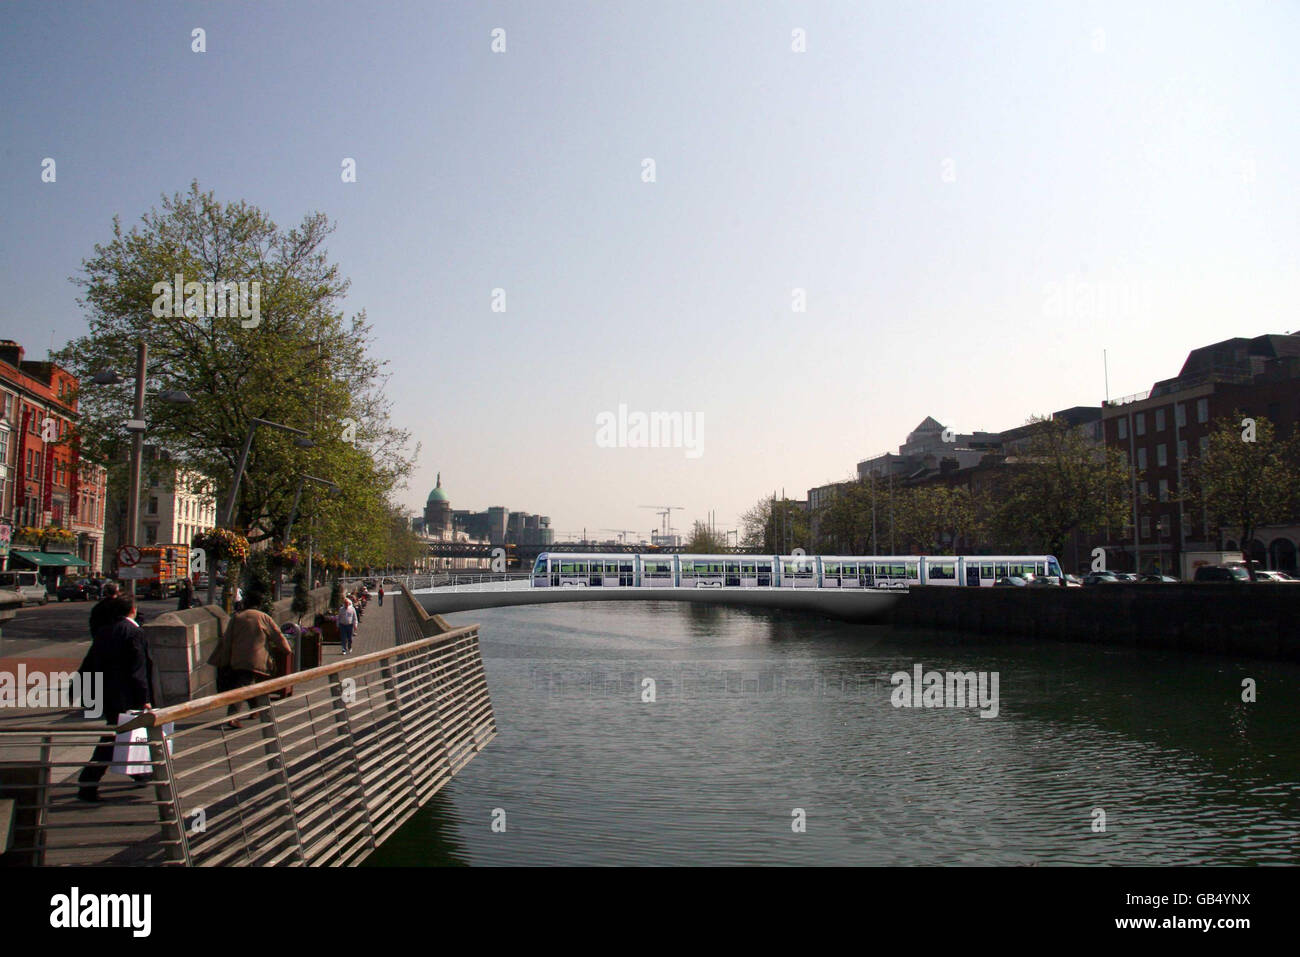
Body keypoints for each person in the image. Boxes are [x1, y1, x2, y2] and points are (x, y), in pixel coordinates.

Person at [77, 593, 154, 801]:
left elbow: (89, 664)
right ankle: (88, 781)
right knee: (114, 737)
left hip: (105, 693)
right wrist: (144, 698)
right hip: (126, 695)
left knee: (119, 733)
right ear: (133, 610)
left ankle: (140, 773)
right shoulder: (134, 632)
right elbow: (138, 670)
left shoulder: (105, 631)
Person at [207, 588, 292, 728]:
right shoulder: (263, 617)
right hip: (256, 659)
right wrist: (287, 650)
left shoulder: (237, 617)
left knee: (249, 683)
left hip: (238, 658)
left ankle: (255, 709)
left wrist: (225, 659)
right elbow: (277, 636)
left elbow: (227, 640)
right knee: (244, 686)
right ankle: (232, 716)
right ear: (259, 604)